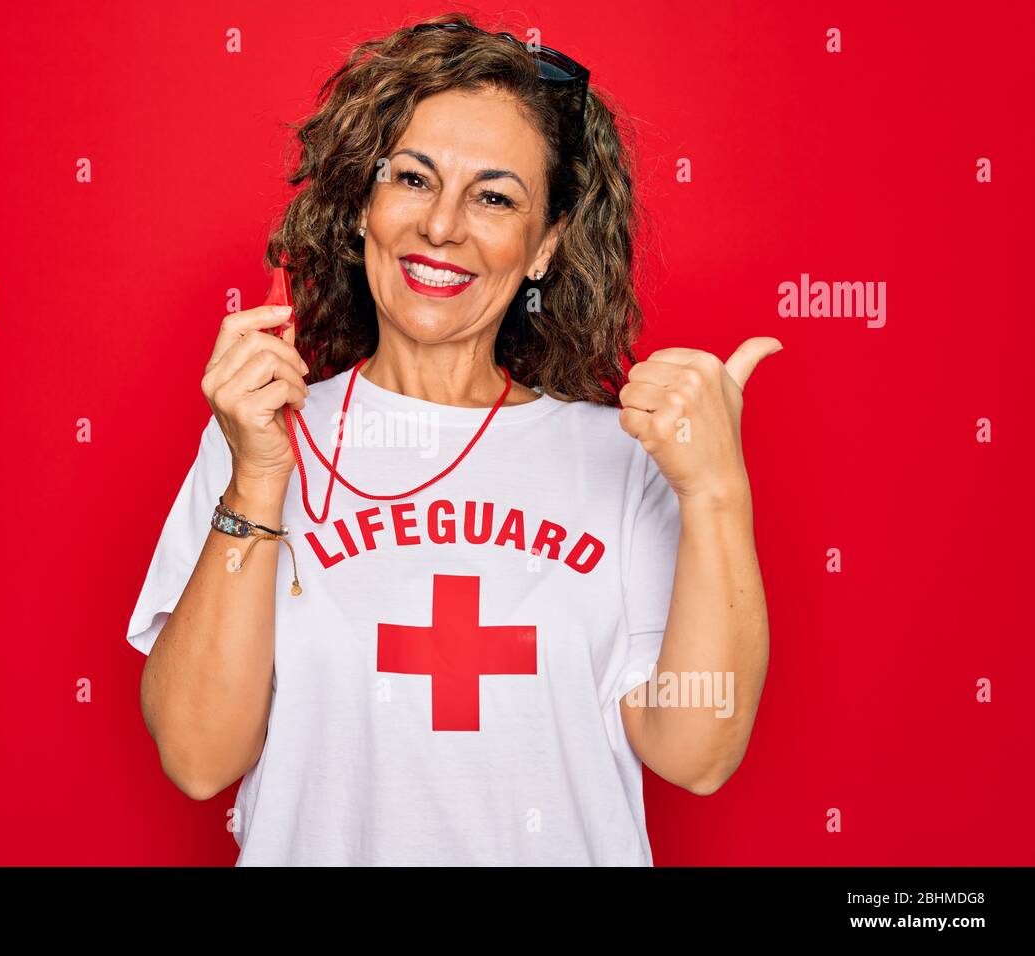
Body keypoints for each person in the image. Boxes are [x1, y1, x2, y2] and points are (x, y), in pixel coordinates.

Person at [126, 13, 775, 866]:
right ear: (363, 206)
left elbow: (697, 754)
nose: (442, 226)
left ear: (544, 245)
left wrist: (717, 494)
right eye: (413, 180)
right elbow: (199, 758)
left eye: (495, 197)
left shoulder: (622, 462)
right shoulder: (260, 434)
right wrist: (255, 476)